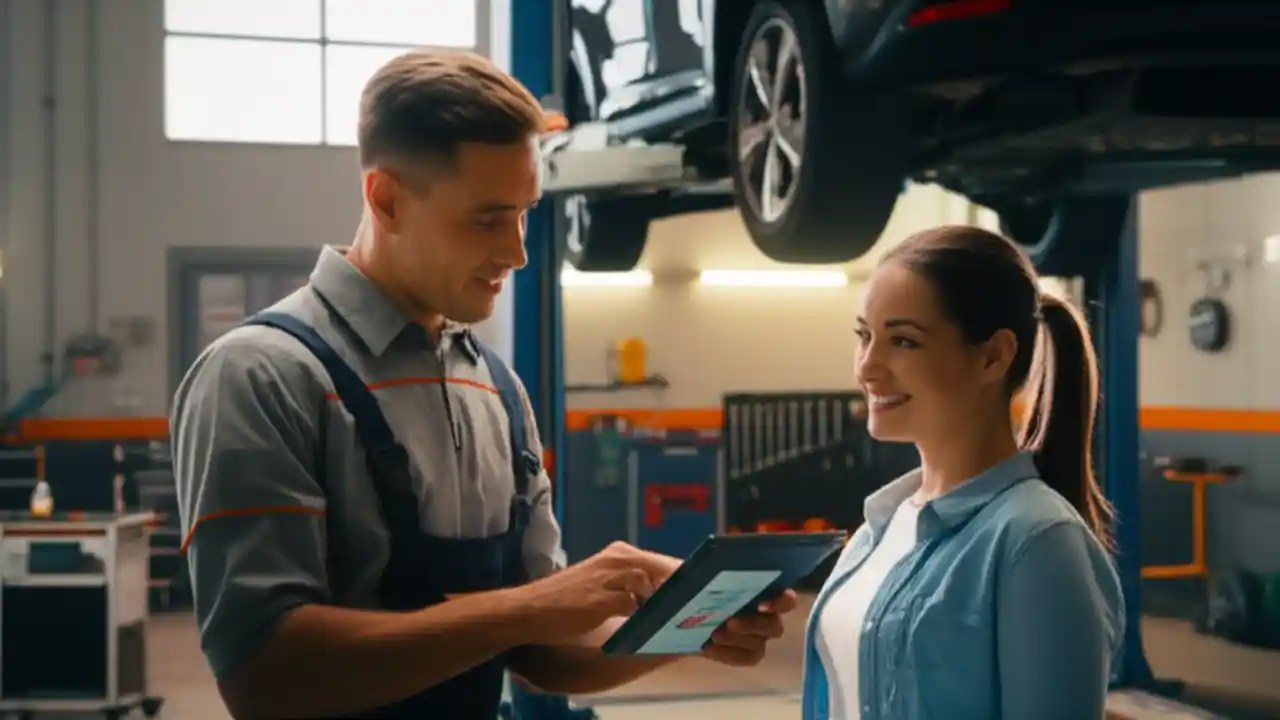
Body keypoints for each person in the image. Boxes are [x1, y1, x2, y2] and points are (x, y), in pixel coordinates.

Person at [171, 49, 796, 720]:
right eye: (487, 218)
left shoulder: (492, 388)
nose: (518, 251)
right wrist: (528, 606)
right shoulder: (261, 376)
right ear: (386, 198)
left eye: (525, 213)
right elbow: (265, 673)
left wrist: (689, 623)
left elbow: (537, 652)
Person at [802, 225, 1125, 720]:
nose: (868, 367)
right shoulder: (878, 530)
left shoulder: (1036, 541)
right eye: (865, 336)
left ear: (994, 356)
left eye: (904, 341)